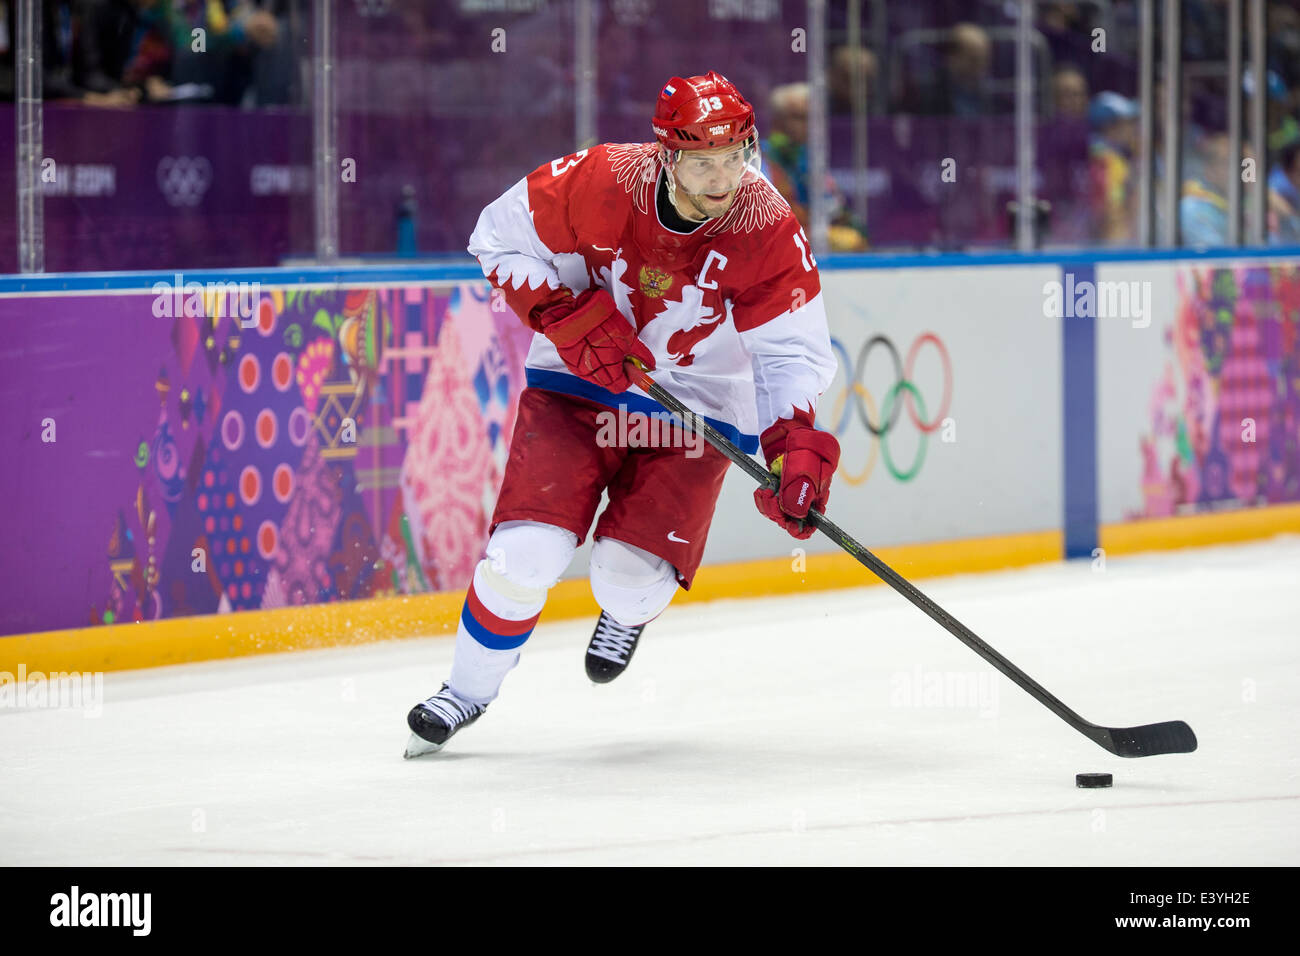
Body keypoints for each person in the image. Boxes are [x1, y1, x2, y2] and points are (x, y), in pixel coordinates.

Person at [404, 72, 840, 757]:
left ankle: (627, 612)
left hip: (695, 411)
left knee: (628, 582)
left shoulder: (766, 224)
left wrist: (793, 447)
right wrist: (567, 317)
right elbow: (496, 237)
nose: (726, 177)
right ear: (666, 155)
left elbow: (788, 350)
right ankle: (465, 692)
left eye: (737, 155)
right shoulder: (603, 179)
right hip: (578, 387)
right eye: (704, 161)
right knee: (524, 556)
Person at [762, 82, 868, 251]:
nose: (807, 125)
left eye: (811, 117)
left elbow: (833, 205)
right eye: (798, 117)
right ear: (777, 120)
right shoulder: (762, 158)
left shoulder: (809, 158)